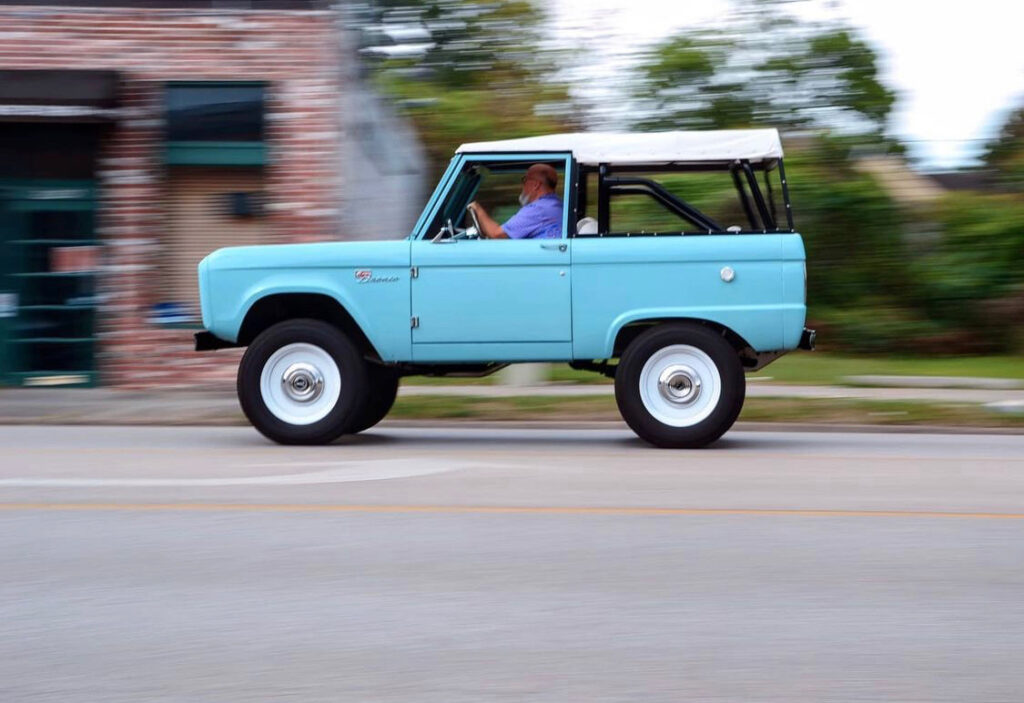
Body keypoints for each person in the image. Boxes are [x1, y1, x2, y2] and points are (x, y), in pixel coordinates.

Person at [468, 163, 562, 240]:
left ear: (535, 185)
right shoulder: (556, 204)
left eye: (525, 180)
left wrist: (476, 208)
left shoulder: (538, 209)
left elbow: (497, 234)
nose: (522, 186)